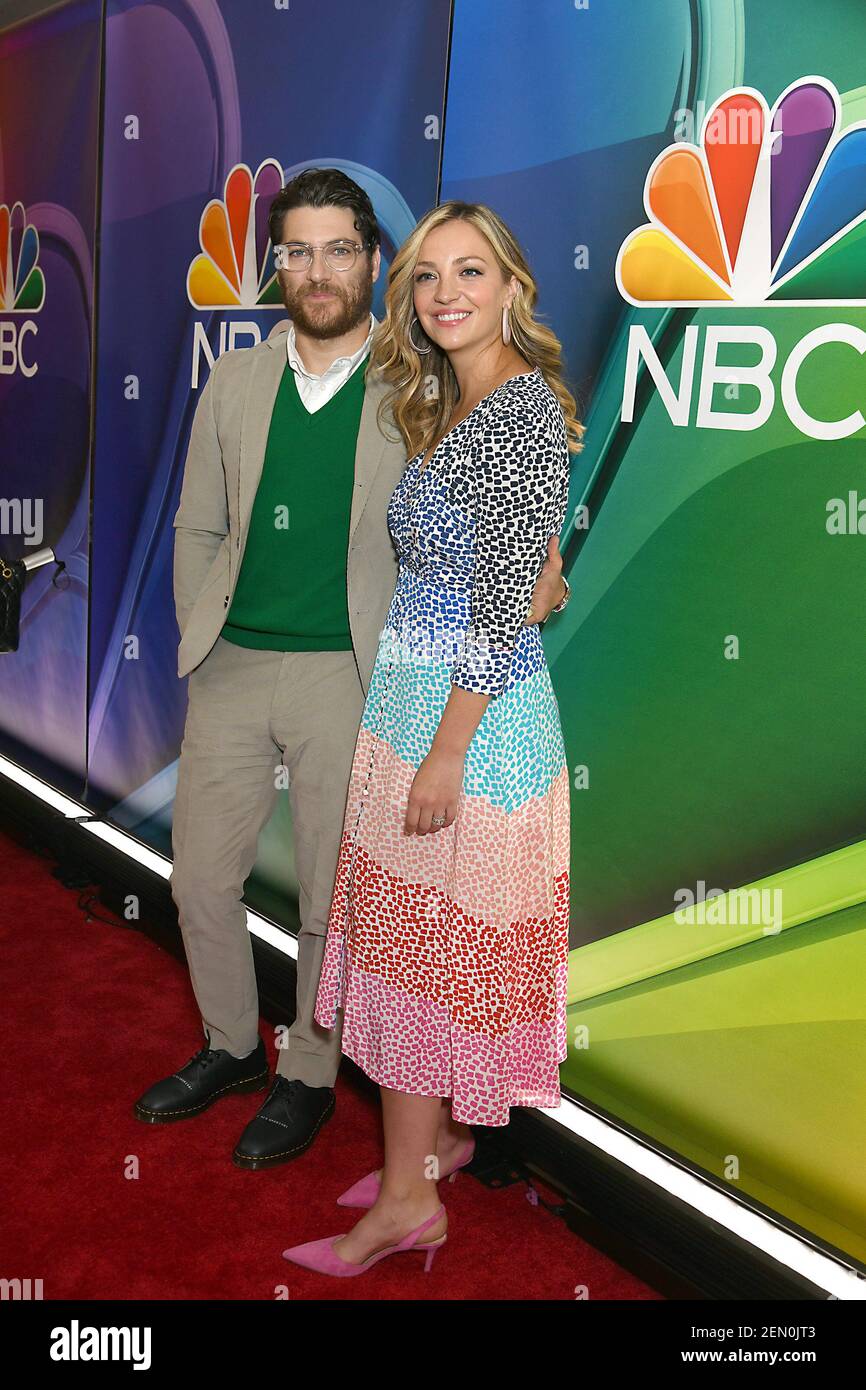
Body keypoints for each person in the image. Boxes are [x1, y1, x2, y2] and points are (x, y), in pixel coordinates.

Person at [133, 170, 569, 1169]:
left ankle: (307, 1075)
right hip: (234, 668)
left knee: (339, 900)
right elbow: (198, 524)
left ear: (373, 264)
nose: (318, 269)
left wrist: (545, 577)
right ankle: (231, 1046)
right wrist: (202, 629)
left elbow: (504, 523)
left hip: (356, 675)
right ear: (274, 264)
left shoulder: (413, 388)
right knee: (198, 876)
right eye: (297, 250)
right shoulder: (234, 380)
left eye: (340, 249)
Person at [282, 200, 582, 1277]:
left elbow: (501, 609)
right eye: (425, 275)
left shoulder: (516, 411)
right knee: (418, 956)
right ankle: (437, 1144)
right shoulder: (455, 404)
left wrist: (447, 749)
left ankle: (408, 1199)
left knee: (413, 966)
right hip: (414, 710)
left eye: (471, 271)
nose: (446, 293)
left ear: (511, 287)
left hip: (469, 729)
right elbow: (524, 567)